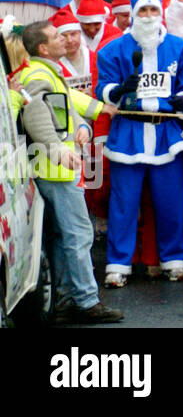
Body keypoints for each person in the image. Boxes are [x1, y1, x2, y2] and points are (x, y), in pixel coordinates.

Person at [7, 20, 122, 323]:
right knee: (79, 233)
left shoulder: (45, 72)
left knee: (62, 235)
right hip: (55, 168)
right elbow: (37, 117)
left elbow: (65, 107)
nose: (64, 39)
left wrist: (84, 124)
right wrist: (58, 148)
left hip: (55, 165)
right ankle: (86, 301)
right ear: (43, 47)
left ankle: (68, 296)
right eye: (57, 36)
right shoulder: (38, 76)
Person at [94, 0, 183, 287]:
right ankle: (118, 264)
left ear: (161, 12)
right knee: (124, 204)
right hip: (128, 133)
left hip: (166, 132)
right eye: (143, 11)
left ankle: (174, 260)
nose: (149, 17)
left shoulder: (179, 48)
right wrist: (118, 90)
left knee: (171, 202)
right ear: (134, 15)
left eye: (153, 10)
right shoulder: (112, 50)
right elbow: (102, 88)